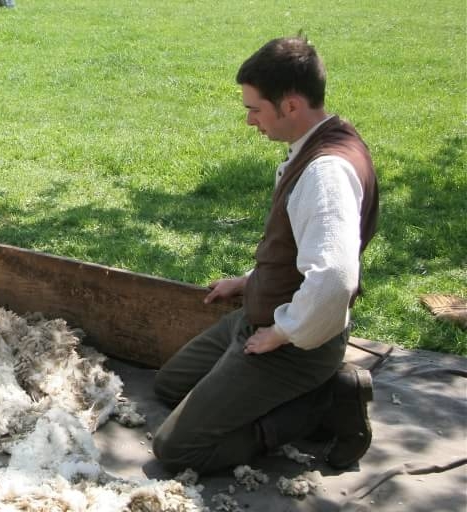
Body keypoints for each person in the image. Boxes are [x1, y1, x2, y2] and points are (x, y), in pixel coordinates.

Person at [152, 37, 380, 473]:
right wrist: (247, 281)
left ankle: (324, 404)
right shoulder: (325, 140)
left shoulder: (325, 172)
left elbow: (334, 278)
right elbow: (304, 247)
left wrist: (281, 333)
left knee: (177, 448)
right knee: (170, 385)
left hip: (294, 342)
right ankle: (269, 390)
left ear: (291, 105)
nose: (250, 121)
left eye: (254, 109)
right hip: (261, 312)